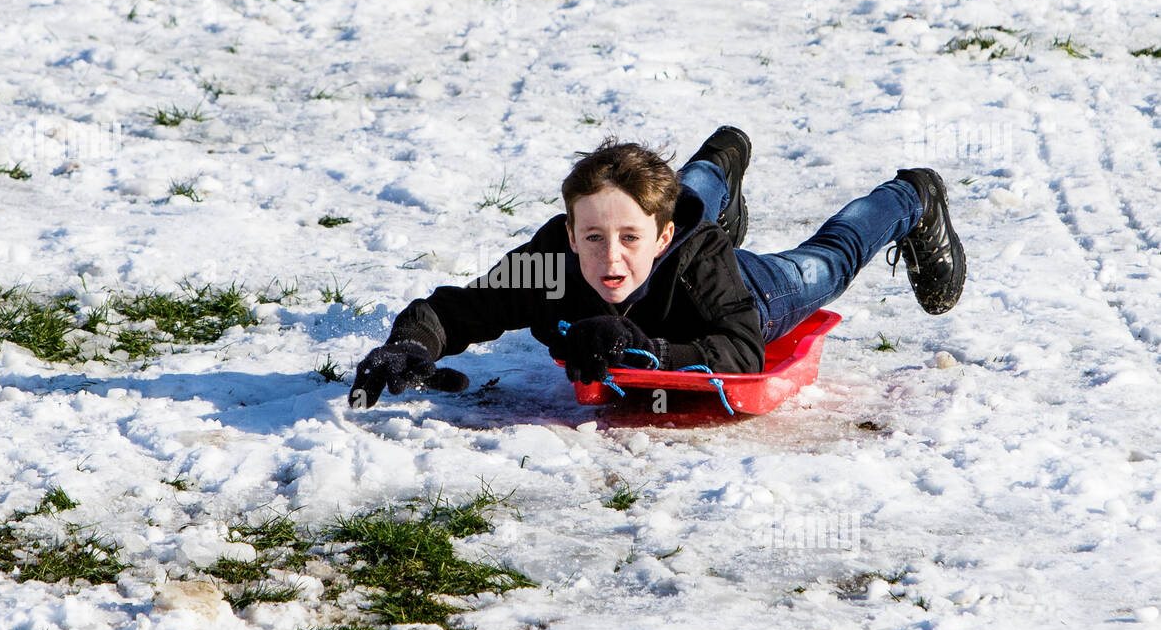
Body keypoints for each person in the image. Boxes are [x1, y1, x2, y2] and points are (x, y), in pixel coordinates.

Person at [348, 127, 966, 408]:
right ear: (569, 232)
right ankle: (723, 155)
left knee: (823, 264)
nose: (609, 257)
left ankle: (913, 195)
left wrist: (646, 349)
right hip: (671, 231)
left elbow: (743, 353)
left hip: (746, 293)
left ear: (661, 237)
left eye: (628, 238)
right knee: (672, 188)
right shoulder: (548, 264)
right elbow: (458, 308)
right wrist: (412, 342)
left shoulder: (695, 262)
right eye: (591, 237)